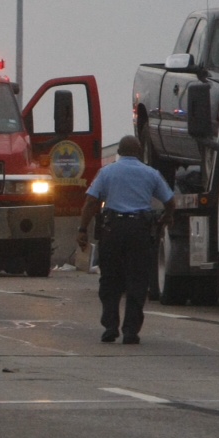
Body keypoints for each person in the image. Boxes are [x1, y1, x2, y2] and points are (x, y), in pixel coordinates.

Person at [78, 136, 175, 344]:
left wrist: (82, 229)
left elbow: (91, 202)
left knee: (110, 280)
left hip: (112, 230)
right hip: (140, 231)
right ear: (139, 152)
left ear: (120, 152)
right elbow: (170, 200)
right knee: (137, 281)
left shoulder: (107, 172)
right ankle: (131, 331)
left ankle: (110, 327)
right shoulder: (151, 174)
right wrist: (167, 217)